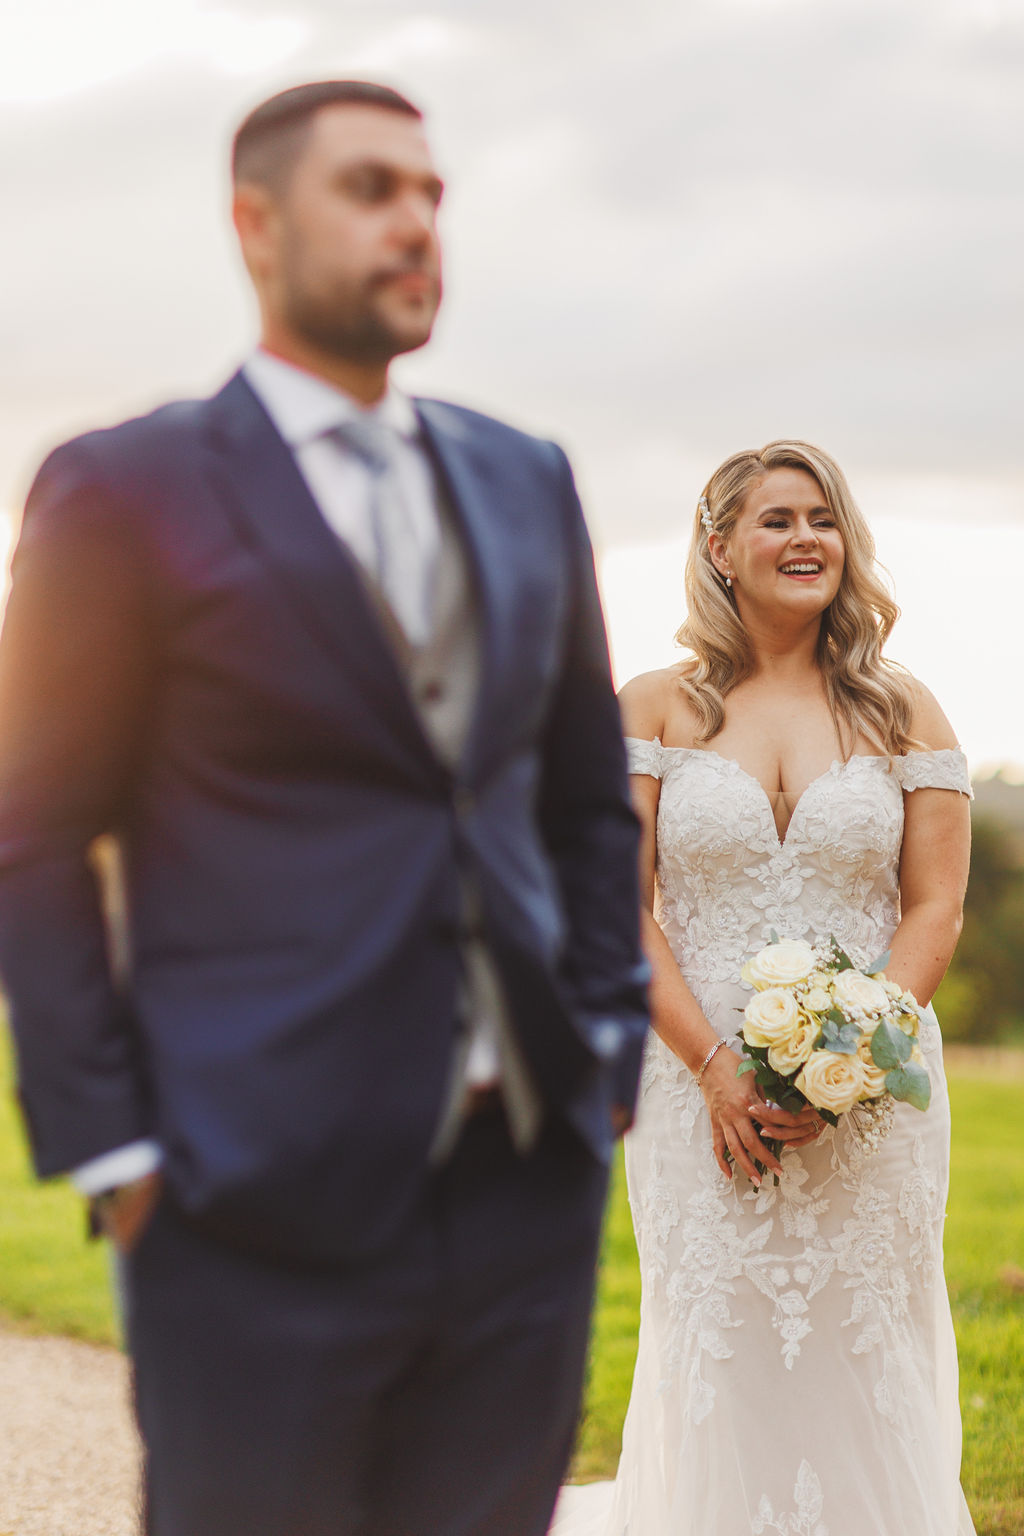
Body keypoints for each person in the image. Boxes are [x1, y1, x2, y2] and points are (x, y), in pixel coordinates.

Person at [0, 80, 649, 1536]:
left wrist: (608, 1059)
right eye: (372, 190)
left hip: (523, 1189)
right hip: (243, 1197)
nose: (417, 224)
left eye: (432, 194)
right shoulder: (122, 489)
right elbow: (33, 839)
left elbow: (585, 806)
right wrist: (113, 1151)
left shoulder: (522, 477)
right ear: (255, 224)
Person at [551, 440, 975, 1535]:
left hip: (871, 1088)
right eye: (777, 519)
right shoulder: (651, 708)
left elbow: (934, 905)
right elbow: (618, 905)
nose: (805, 540)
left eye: (822, 519)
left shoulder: (903, 713)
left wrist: (861, 1050)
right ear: (719, 545)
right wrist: (716, 1066)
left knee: (863, 1330)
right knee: (719, 1332)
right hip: (695, 1077)